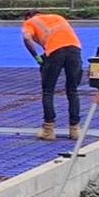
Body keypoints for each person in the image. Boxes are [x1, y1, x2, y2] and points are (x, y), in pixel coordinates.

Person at [21, 10, 84, 141]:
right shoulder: (58, 16)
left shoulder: (29, 22)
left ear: (27, 17)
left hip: (55, 52)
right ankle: (75, 130)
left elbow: (27, 38)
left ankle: (48, 130)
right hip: (74, 50)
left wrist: (37, 57)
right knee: (72, 90)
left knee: (48, 91)